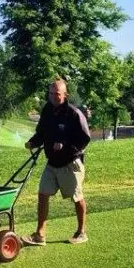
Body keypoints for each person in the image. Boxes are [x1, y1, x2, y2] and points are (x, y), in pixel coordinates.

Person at [21, 79, 91, 246]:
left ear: (65, 94)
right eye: (51, 94)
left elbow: (84, 139)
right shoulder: (47, 110)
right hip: (52, 163)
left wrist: (65, 146)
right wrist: (33, 142)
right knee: (43, 194)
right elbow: (42, 133)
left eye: (57, 94)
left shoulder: (74, 113)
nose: (53, 97)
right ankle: (40, 235)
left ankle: (81, 232)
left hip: (70, 164)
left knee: (77, 197)